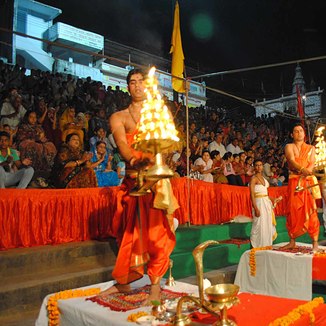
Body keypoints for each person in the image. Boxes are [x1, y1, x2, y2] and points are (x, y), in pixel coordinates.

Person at [99, 68, 178, 304]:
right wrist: (133, 159)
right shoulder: (119, 117)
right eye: (132, 82)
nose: (137, 86)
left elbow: (170, 143)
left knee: (156, 235)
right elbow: (122, 144)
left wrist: (158, 156)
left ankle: (155, 286)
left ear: (147, 85)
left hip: (155, 182)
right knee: (128, 235)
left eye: (140, 81)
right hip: (133, 181)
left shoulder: (159, 114)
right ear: (127, 87)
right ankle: (123, 283)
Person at [282, 123, 320, 251]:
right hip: (294, 181)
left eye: (301, 131)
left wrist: (308, 170)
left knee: (311, 210)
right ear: (292, 135)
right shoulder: (289, 146)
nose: (299, 133)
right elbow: (291, 160)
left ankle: (315, 242)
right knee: (293, 210)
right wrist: (303, 169)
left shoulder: (311, 148)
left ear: (304, 134)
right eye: (296, 131)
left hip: (307, 182)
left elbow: (313, 163)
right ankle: (292, 240)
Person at [249, 159, 278, 248]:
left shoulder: (264, 179)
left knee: (267, 224)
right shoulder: (253, 179)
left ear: (262, 167)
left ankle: (267, 245)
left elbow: (265, 194)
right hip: (259, 204)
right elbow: (252, 195)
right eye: (257, 165)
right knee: (258, 225)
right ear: (254, 167)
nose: (259, 167)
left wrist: (274, 199)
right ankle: (257, 246)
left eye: (260, 165)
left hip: (266, 204)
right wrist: (256, 208)